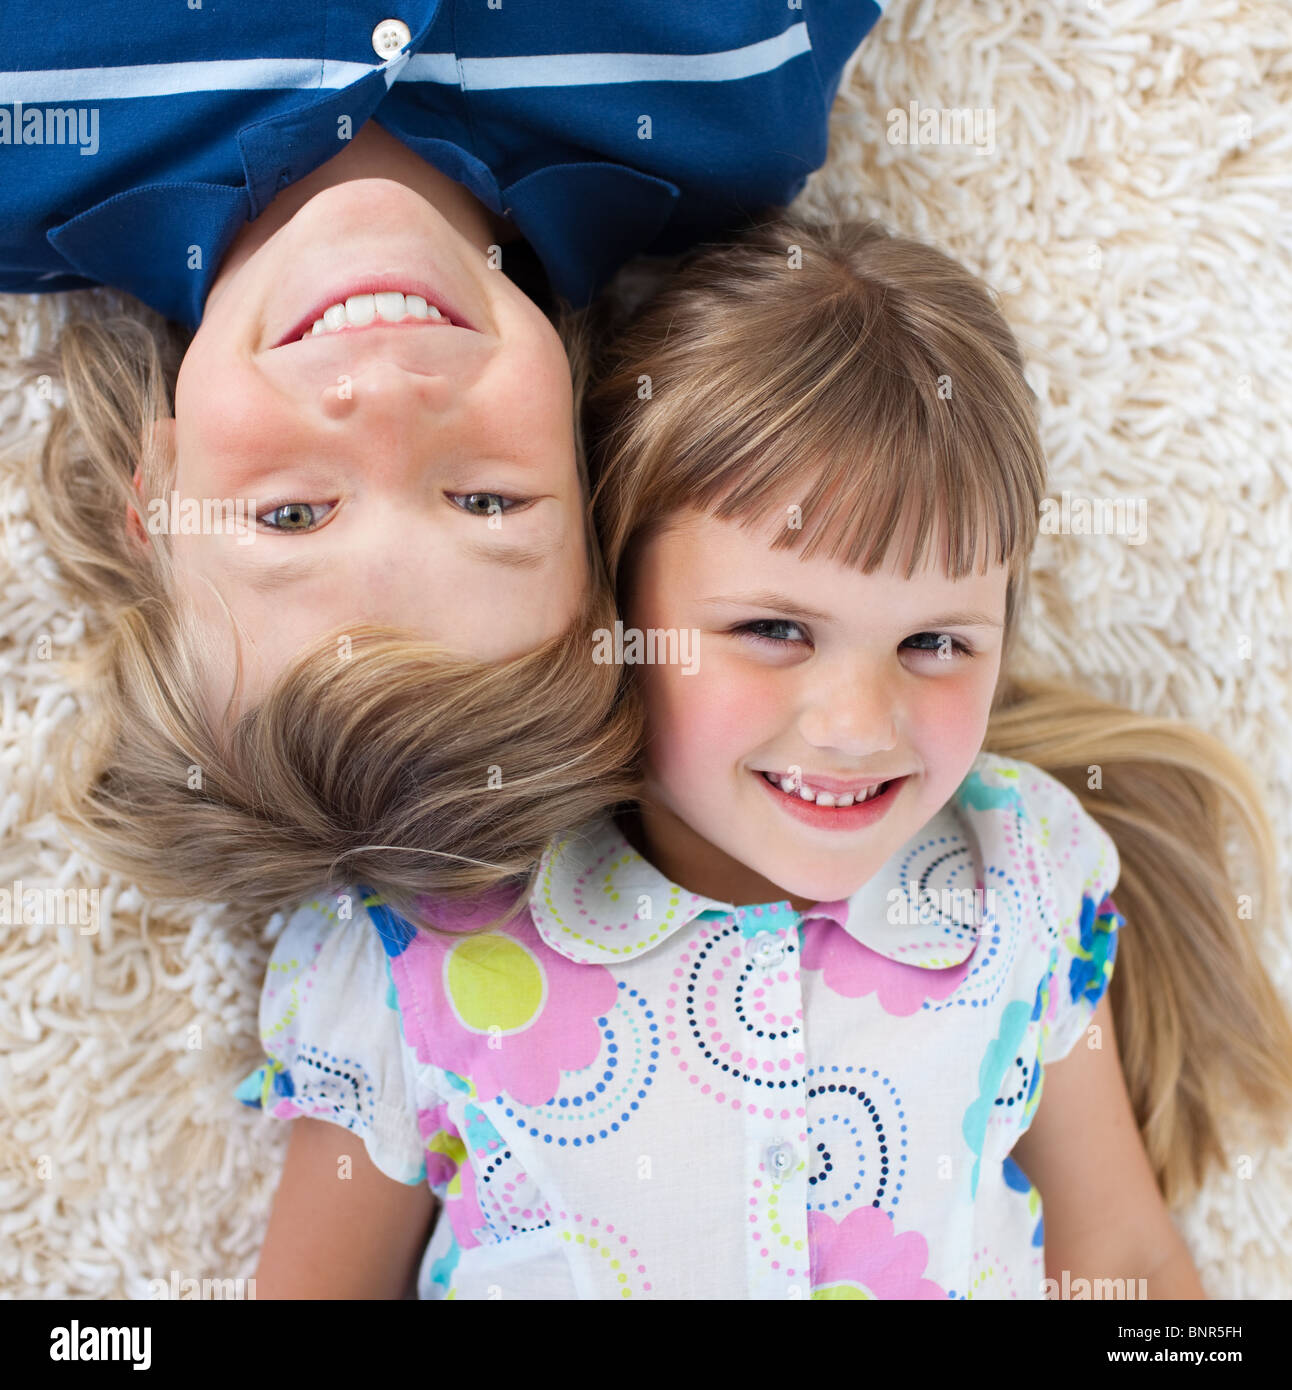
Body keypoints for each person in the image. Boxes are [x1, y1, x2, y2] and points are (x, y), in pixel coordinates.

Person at [235, 211, 1292, 1298]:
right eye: (773, 630)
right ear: (613, 603)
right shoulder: (431, 932)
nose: (855, 723)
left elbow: (1116, 1253)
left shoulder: (1015, 873)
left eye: (935, 643)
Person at [5, 3, 883, 926]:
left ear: (157, 493)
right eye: (486, 502)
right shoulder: (735, 104)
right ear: (589, 464)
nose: (386, 401)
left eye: (293, 515)